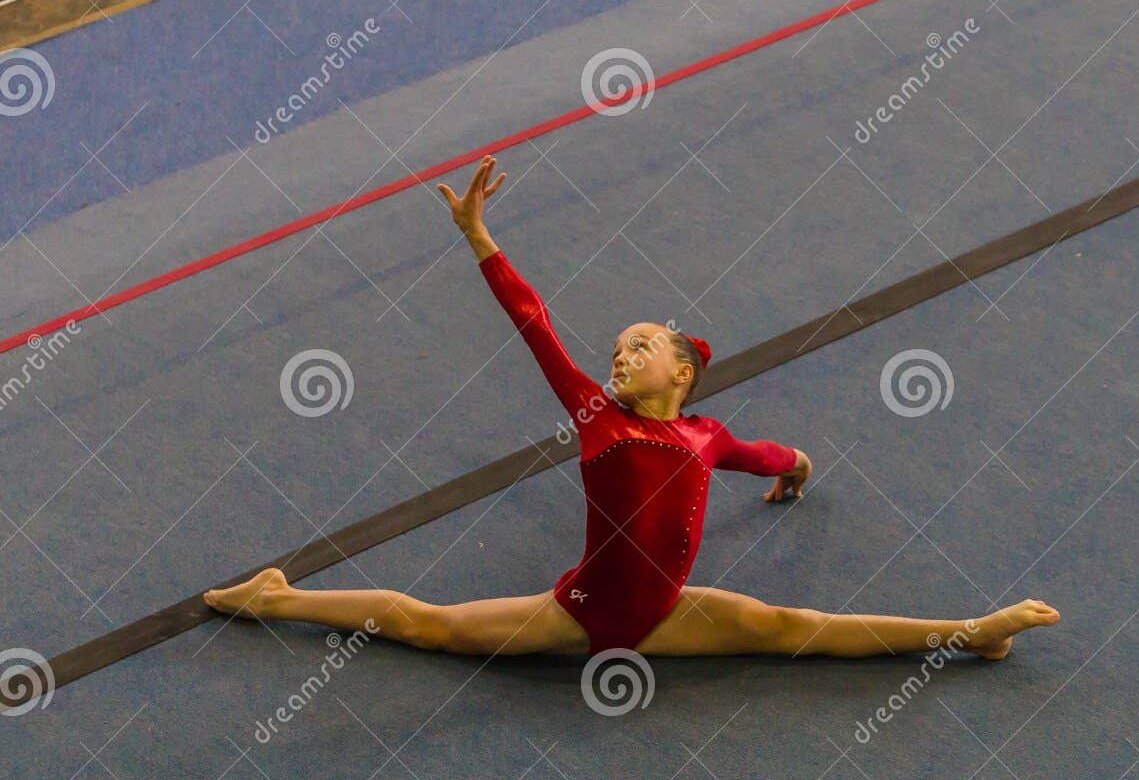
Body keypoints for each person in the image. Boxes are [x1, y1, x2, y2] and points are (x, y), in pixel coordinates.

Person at [205, 157, 1060, 659]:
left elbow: (763, 453)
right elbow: (534, 322)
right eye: (617, 347)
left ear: (681, 372)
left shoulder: (703, 435)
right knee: (429, 627)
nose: (621, 355)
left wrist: (798, 468)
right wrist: (477, 236)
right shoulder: (597, 419)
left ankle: (970, 629)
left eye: (640, 346)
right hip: (580, 610)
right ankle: (276, 596)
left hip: (663, 618)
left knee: (795, 627)